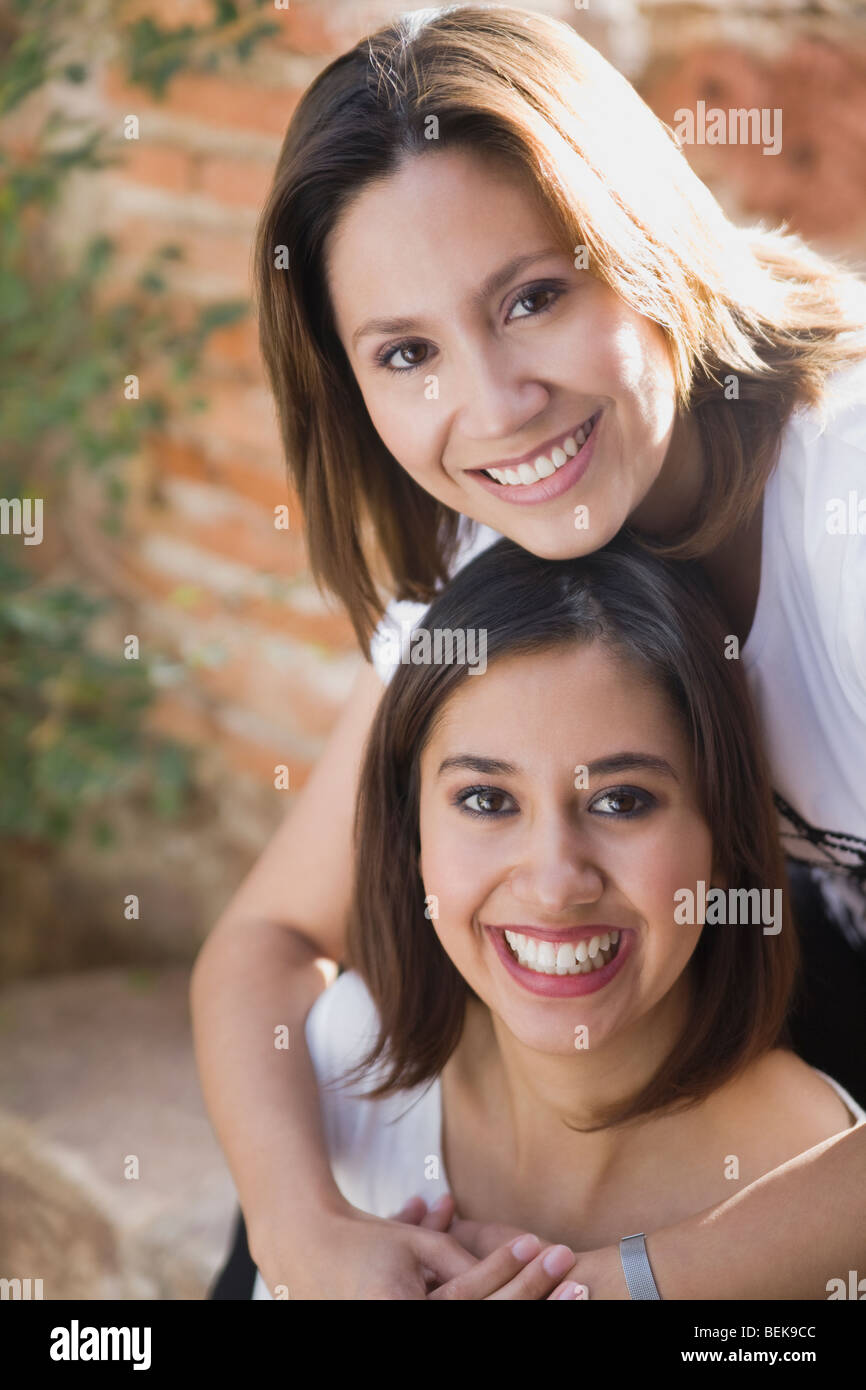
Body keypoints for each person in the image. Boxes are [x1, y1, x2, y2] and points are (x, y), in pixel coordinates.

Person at [191, 5, 866, 1299]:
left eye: (534, 298)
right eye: (406, 352)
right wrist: (302, 1231)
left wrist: (617, 1284)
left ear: (644, 244)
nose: (494, 406)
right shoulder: (492, 511)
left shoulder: (842, 515)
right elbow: (272, 933)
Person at [249, 536, 864, 1301]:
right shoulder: (344, 1059)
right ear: (411, 839)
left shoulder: (817, 1180)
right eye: (486, 800)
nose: (553, 884)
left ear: (726, 841)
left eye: (622, 801)